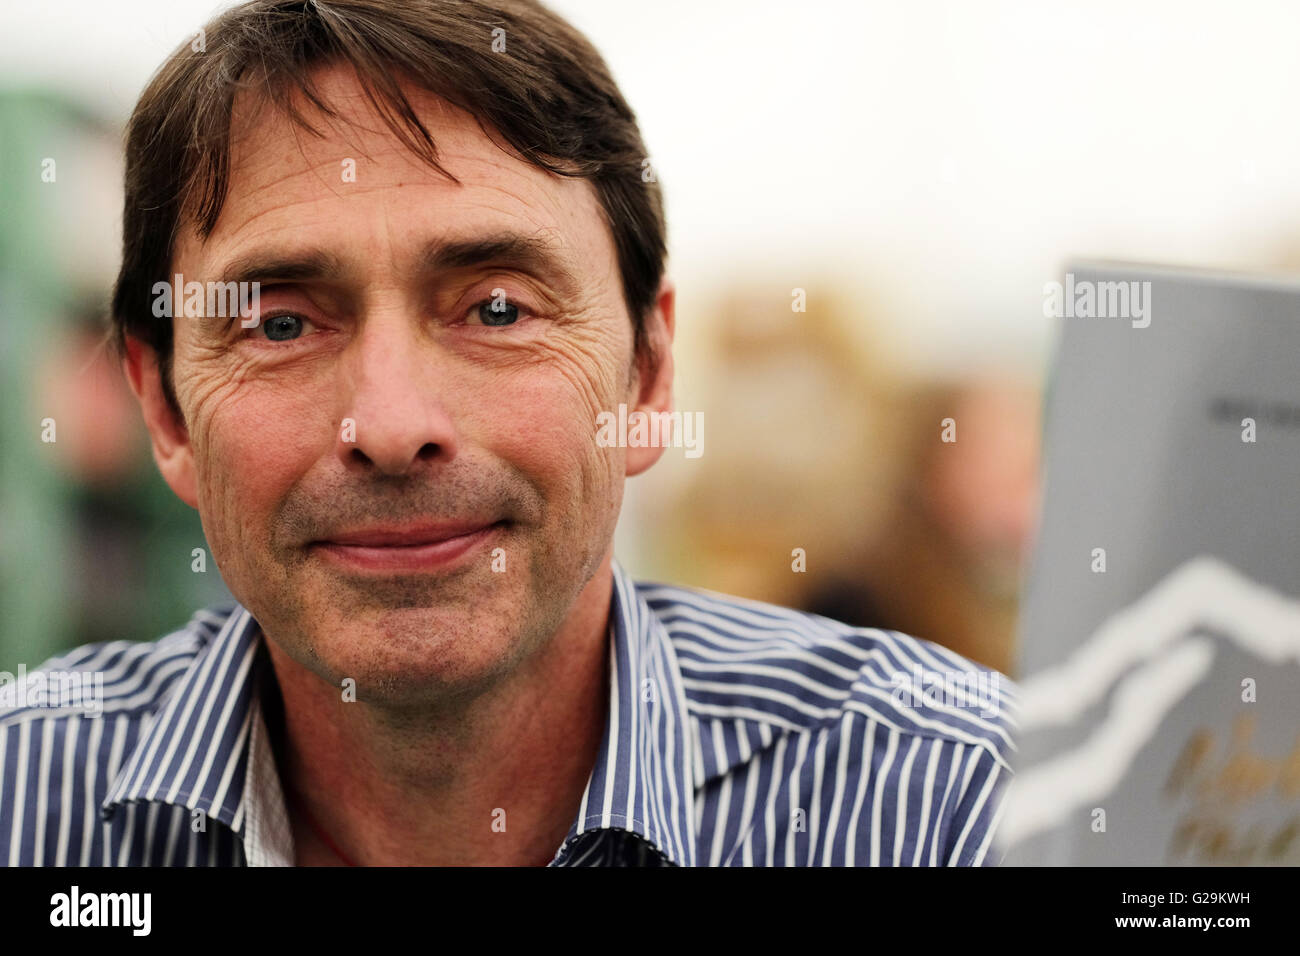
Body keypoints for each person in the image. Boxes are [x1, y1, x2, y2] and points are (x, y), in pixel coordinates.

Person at [0, 0, 1014, 866]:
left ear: (647, 375)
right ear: (166, 410)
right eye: (281, 324)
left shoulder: (965, 807)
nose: (392, 427)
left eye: (496, 309)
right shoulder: (24, 804)